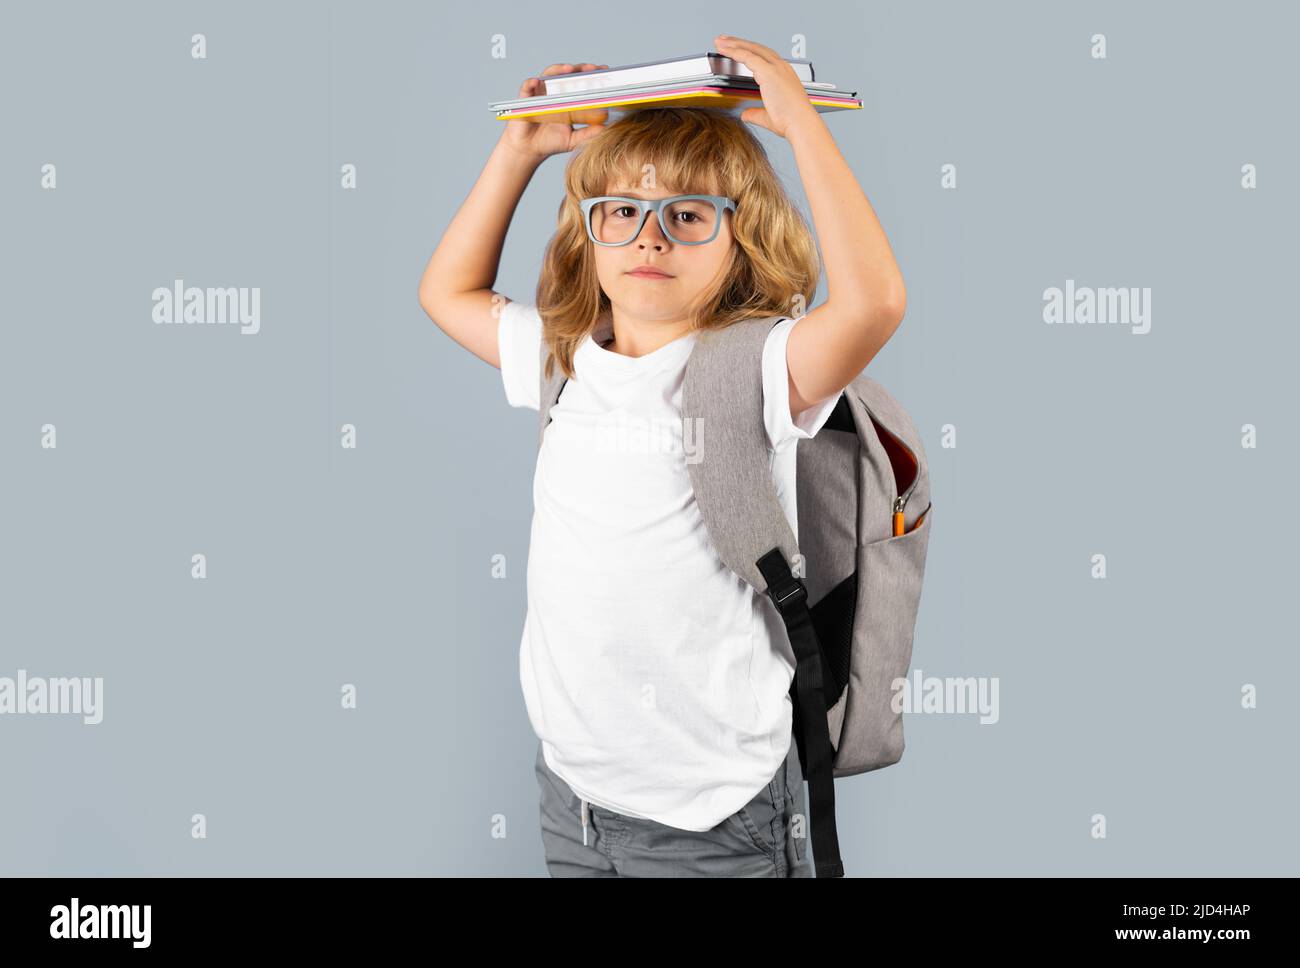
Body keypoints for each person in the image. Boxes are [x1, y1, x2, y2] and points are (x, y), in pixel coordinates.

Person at [418, 35, 907, 876]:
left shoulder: (760, 366)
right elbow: (447, 293)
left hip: (710, 816)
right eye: (621, 211)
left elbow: (873, 304)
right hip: (574, 794)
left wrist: (800, 126)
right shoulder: (563, 357)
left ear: (740, 239)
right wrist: (518, 151)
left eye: (687, 215)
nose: (649, 238)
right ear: (591, 233)